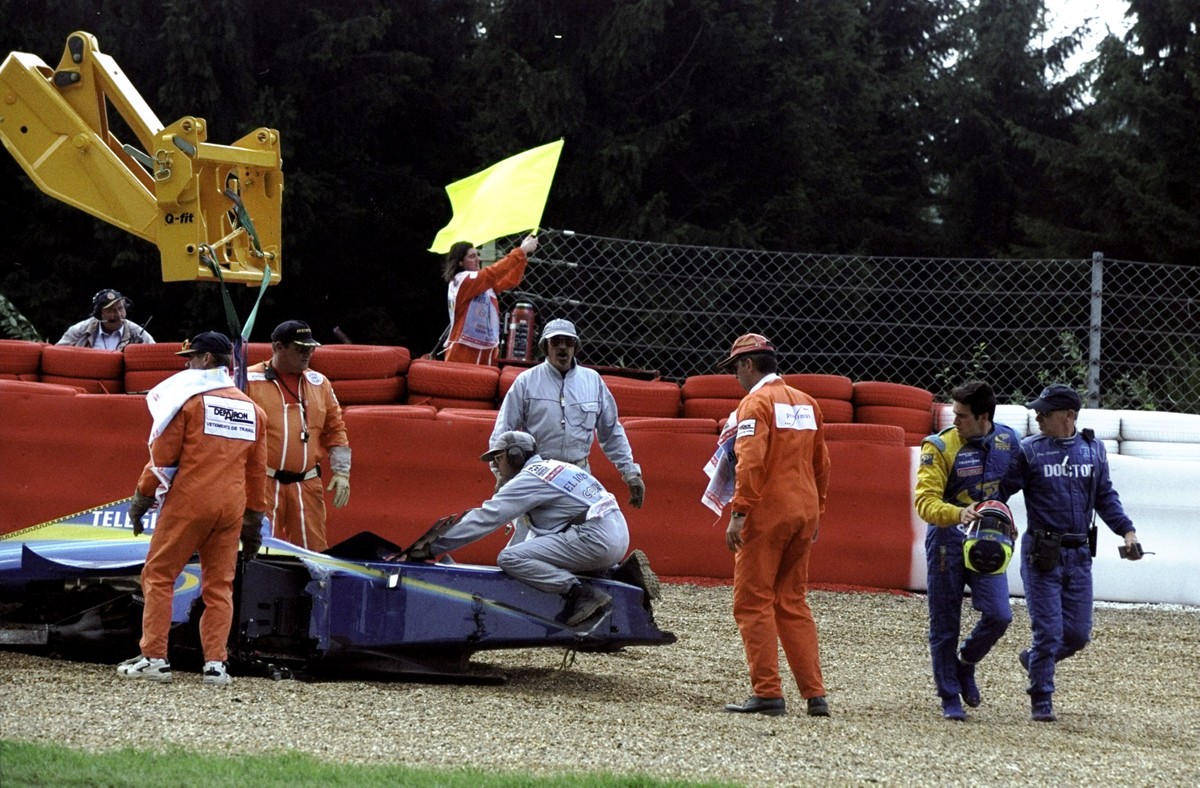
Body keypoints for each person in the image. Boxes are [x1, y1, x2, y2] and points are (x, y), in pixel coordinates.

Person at [118, 331, 266, 686]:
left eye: (191, 358)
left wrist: (141, 500)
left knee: (159, 576)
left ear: (206, 360)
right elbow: (257, 473)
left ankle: (155, 658)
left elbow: (162, 459)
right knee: (219, 587)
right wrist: (254, 524)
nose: (186, 366)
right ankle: (216, 665)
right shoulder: (254, 411)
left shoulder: (188, 403)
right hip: (231, 508)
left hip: (189, 501)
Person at [999, 384, 1142, 722]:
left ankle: (1035, 660)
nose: (1038, 417)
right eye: (1037, 412)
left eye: (1044, 412)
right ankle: (1041, 699)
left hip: (1079, 554)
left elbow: (1105, 497)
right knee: (1048, 631)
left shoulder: (1094, 450)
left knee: (1077, 635)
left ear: (1068, 416)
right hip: (1041, 553)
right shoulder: (1029, 452)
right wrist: (989, 519)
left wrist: (1127, 531)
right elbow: (999, 493)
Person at [405, 430, 638, 626]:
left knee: (510, 558)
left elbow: (486, 517)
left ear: (515, 456)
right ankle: (617, 574)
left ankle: (582, 594)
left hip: (595, 539)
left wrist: (433, 547)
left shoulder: (530, 478)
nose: (495, 466)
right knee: (532, 559)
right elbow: (532, 539)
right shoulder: (556, 467)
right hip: (614, 534)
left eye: (498, 459)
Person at [717, 333, 832, 718]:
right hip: (804, 512)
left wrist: (738, 513)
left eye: (735, 368)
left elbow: (751, 461)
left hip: (767, 513)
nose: (735, 376)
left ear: (748, 364)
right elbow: (822, 464)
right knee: (792, 601)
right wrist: (818, 510)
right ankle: (815, 695)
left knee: (752, 601)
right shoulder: (807, 402)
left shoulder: (755, 403)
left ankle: (767, 692)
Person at [914, 381, 1021, 721]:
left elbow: (1016, 483)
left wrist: (1002, 516)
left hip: (988, 539)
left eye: (961, 415)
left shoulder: (1008, 441)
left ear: (983, 417)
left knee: (1000, 615)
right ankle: (949, 695)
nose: (954, 420)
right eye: (953, 413)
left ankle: (966, 662)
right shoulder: (938, 446)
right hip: (946, 540)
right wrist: (958, 513)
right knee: (945, 622)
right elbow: (924, 502)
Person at [490, 319, 645, 509]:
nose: (562, 347)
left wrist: (630, 473)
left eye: (568, 342)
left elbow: (611, 431)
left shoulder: (593, 381)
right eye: (555, 342)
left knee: (585, 525)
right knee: (531, 527)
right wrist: (500, 474)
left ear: (575, 347)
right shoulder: (526, 382)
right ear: (545, 347)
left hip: (579, 477)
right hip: (537, 474)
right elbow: (503, 431)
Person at [245, 320, 351, 553]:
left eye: (310, 349)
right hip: (263, 481)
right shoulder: (248, 380)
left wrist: (342, 472)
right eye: (300, 349)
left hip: (307, 483)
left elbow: (335, 428)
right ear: (278, 347)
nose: (307, 355)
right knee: (257, 550)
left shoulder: (319, 383)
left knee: (314, 552)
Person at [442, 235, 538, 365]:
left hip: (487, 348)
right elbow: (491, 273)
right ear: (460, 262)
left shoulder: (482, 283)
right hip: (464, 348)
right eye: (472, 256)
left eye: (477, 255)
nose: (478, 259)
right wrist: (520, 251)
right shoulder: (461, 279)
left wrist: (523, 255)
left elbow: (511, 279)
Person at [57, 288, 154, 349]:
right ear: (99, 314)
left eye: (120, 308)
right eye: (111, 310)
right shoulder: (79, 331)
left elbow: (154, 357)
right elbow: (58, 354)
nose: (119, 314)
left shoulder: (138, 333)